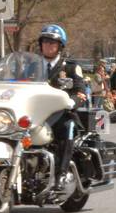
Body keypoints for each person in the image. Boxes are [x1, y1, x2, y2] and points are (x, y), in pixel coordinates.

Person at [37, 24, 89, 187]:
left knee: (68, 128)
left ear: (60, 45)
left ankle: (61, 173)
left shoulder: (70, 67)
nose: (48, 45)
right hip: (35, 114)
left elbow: (80, 92)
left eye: (52, 42)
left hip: (60, 114)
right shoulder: (31, 66)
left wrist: (71, 101)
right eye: (45, 41)